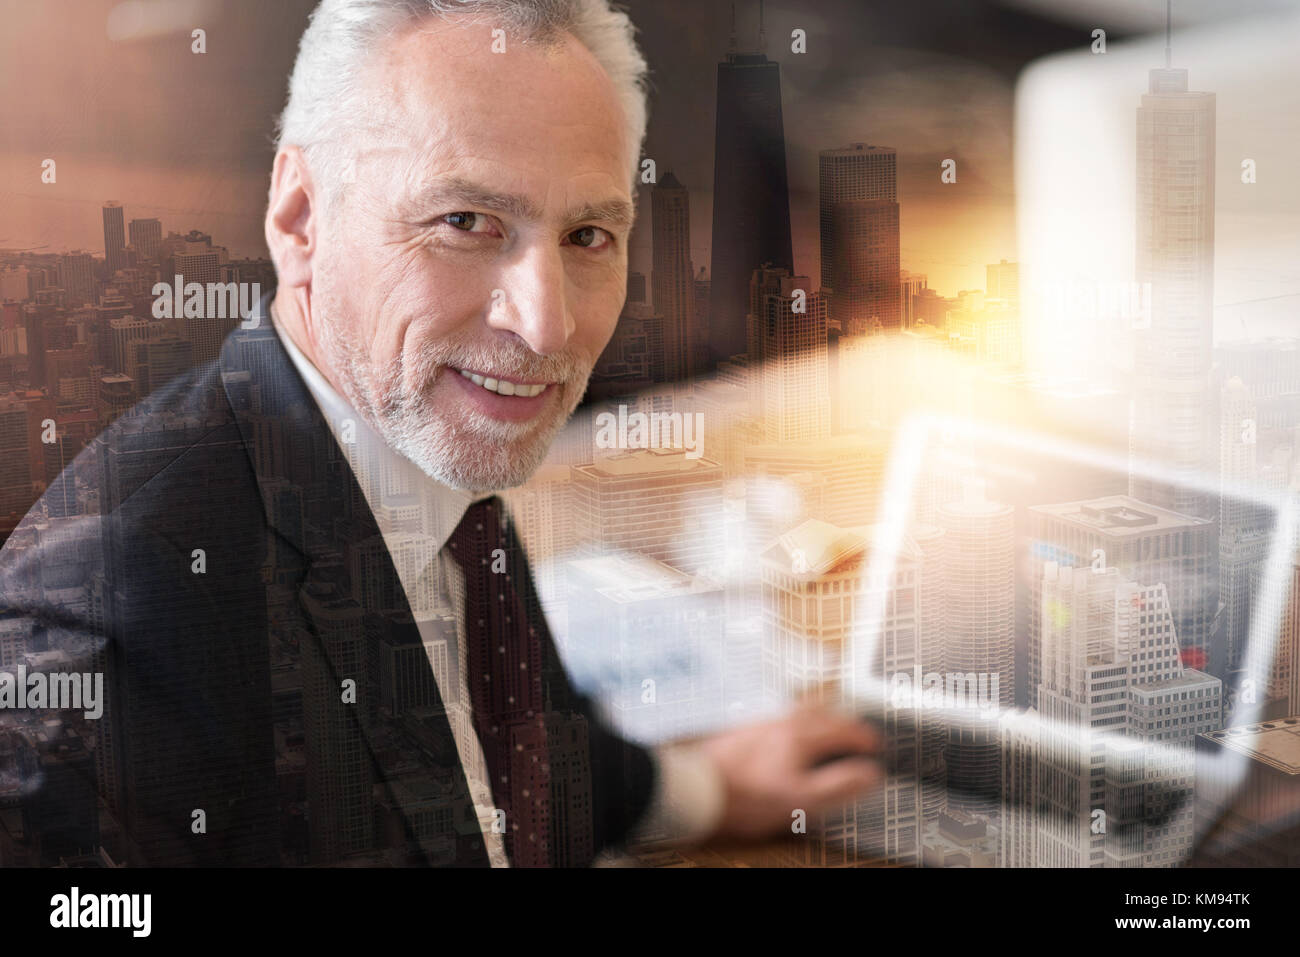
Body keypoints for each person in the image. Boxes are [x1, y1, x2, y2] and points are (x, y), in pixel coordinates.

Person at [0, 0, 883, 867]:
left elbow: (505, 750)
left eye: (587, 234)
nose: (547, 325)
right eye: (464, 221)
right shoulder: (109, 621)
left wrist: (702, 790)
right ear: (302, 217)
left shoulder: (429, 473)